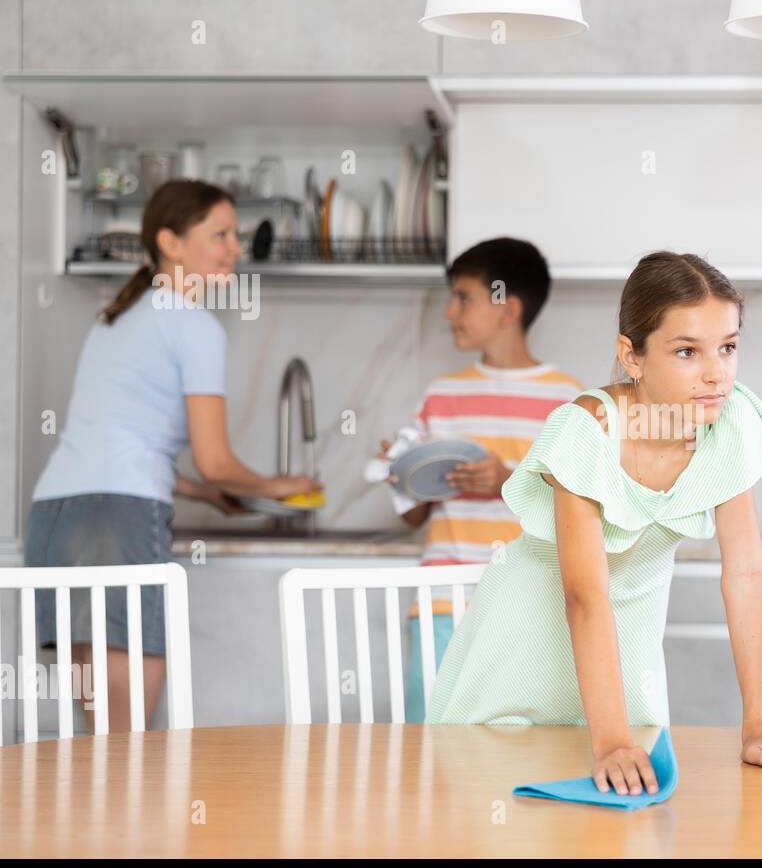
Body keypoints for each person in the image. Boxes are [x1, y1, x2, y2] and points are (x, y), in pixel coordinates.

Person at [428, 250, 762, 795]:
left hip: (626, 666)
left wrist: (759, 725)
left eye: (729, 347)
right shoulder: (586, 430)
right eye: (687, 351)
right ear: (632, 355)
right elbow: (585, 594)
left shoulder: (730, 422)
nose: (717, 373)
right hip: (523, 655)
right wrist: (611, 740)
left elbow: (746, 575)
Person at [24, 179, 320, 732]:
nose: (236, 247)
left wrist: (206, 494)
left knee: (101, 735)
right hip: (117, 520)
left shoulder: (112, 319)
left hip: (54, 518)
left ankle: (99, 821)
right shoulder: (194, 324)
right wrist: (278, 486)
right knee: (129, 735)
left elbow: (118, 439)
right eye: (221, 234)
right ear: (171, 242)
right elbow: (216, 460)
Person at [378, 238, 582, 722]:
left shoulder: (570, 401)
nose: (449, 312)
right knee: (426, 739)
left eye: (463, 298)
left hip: (527, 601)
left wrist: (507, 479)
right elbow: (412, 516)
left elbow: (583, 511)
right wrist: (404, 474)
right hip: (441, 600)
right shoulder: (441, 395)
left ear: (506, 308)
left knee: (516, 745)